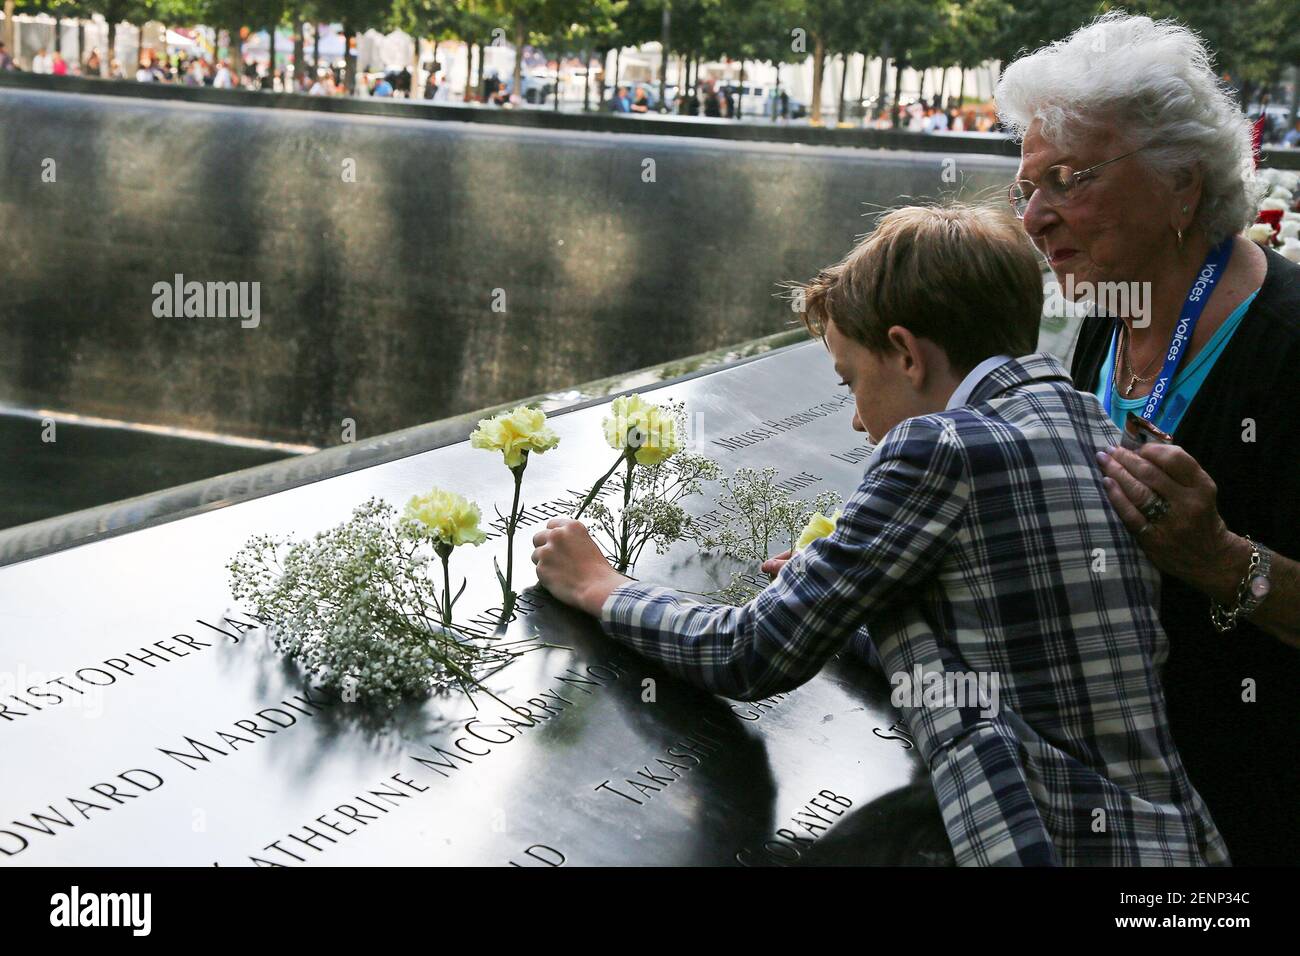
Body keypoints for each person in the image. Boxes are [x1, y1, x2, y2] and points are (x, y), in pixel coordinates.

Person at [532, 203, 1229, 867]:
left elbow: (752, 653)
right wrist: (844, 598)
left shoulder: (939, 446)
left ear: (905, 354)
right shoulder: (1087, 422)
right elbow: (1007, 635)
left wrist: (603, 585)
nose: (859, 422)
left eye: (850, 381)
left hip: (1043, 840)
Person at [997, 12, 1300, 865]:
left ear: (1182, 184)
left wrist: (1221, 560)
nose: (1035, 219)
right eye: (1027, 189)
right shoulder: (1110, 313)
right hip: (1113, 805)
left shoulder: (1287, 348)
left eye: (1067, 179)